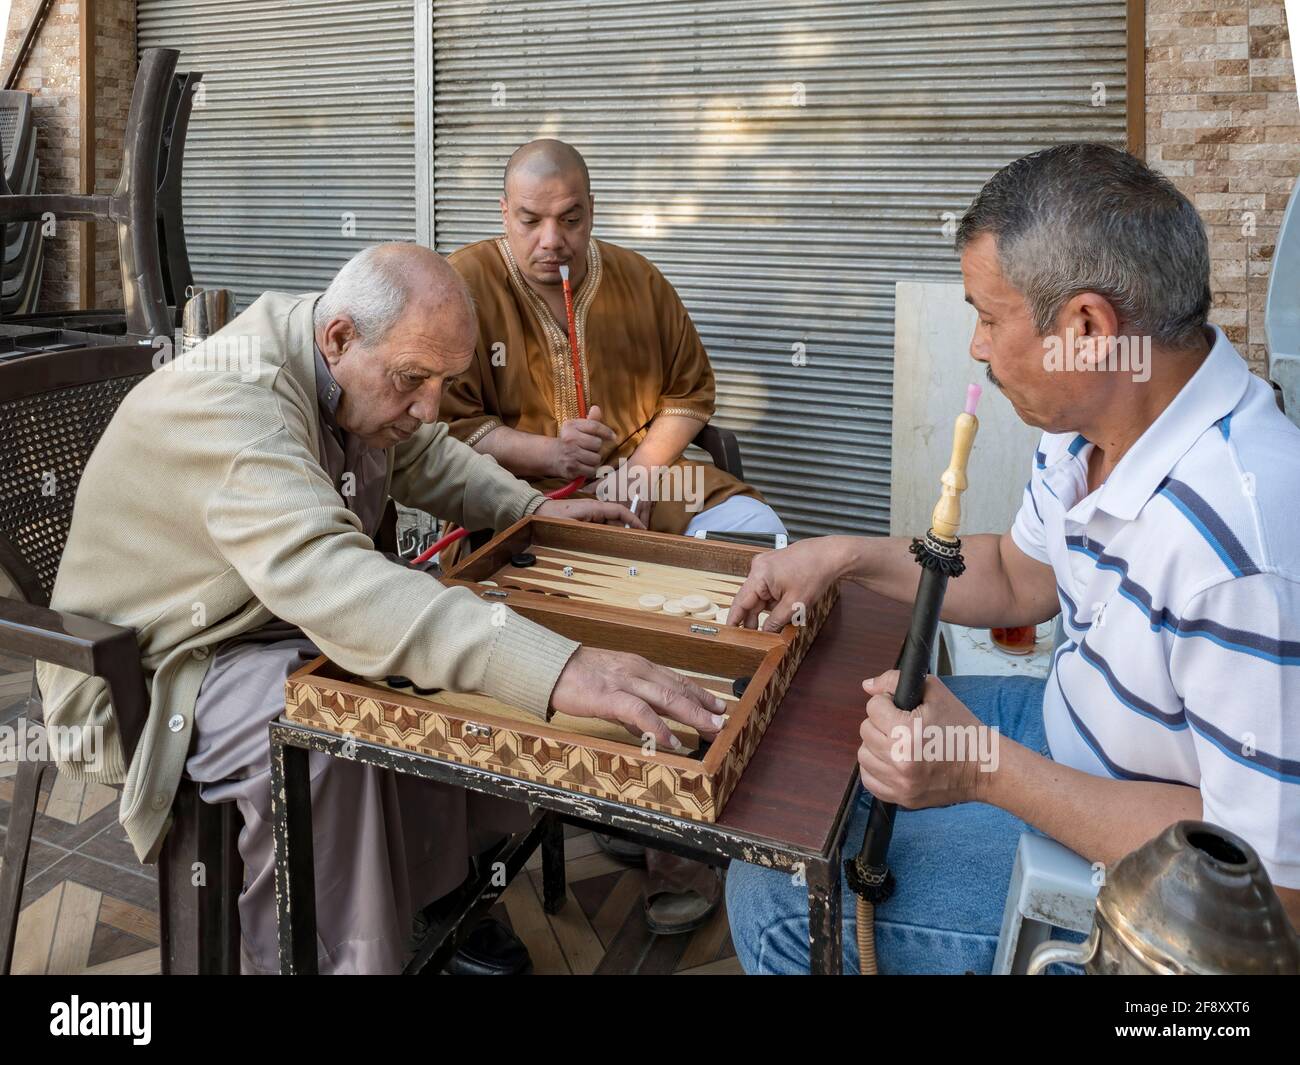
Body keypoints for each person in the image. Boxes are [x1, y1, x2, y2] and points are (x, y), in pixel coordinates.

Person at [36, 243, 729, 974]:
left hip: (259, 613)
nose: (430, 406)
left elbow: (427, 454)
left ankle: (442, 897)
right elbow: (335, 581)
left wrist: (533, 512)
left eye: (444, 382)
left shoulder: (340, 362)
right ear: (339, 338)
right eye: (413, 380)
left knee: (429, 672)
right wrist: (560, 668)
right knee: (323, 730)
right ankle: (330, 957)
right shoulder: (238, 407)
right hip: (150, 664)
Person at [723, 143, 1300, 973]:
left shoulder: (1241, 549)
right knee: (815, 777)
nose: (976, 349)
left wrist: (985, 769)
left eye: (990, 318)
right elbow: (1020, 579)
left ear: (1088, 330)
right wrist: (843, 556)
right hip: (1068, 730)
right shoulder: (1084, 430)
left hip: (1155, 887)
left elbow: (1267, 887)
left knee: (775, 898)